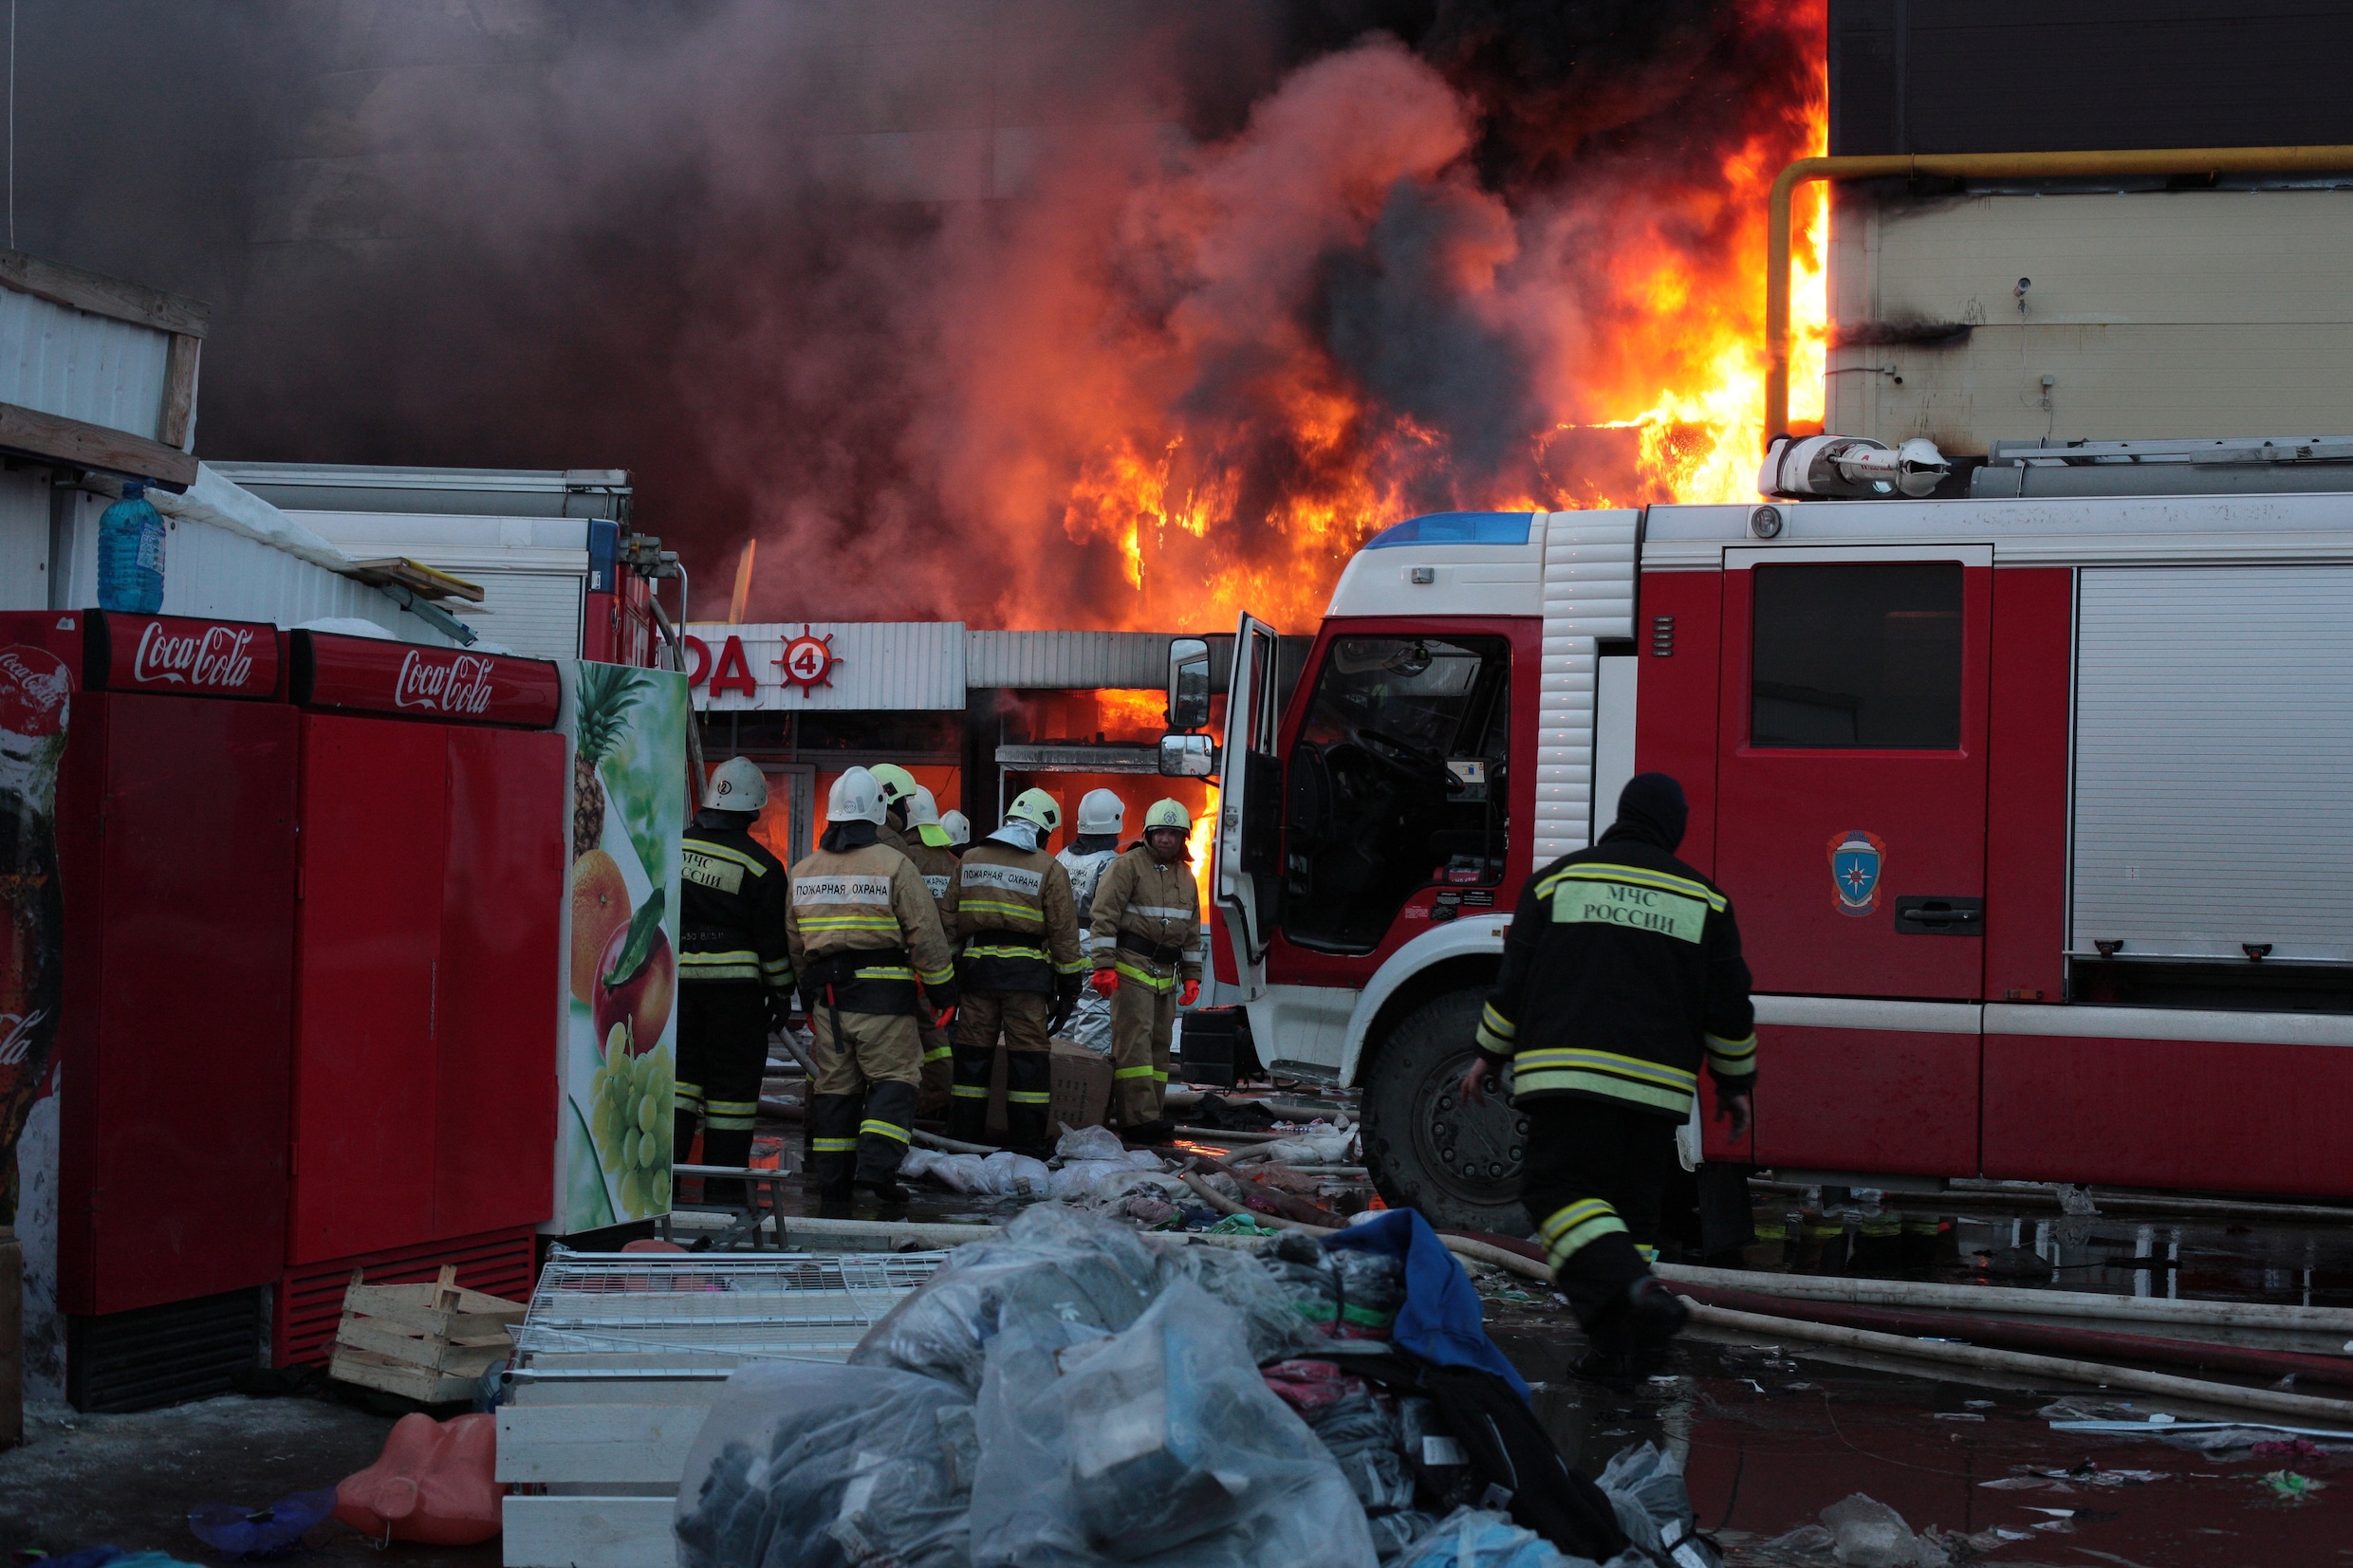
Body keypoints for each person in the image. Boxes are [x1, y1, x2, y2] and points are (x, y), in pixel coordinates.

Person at [1464, 771, 1754, 1377]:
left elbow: (1513, 983)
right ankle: (1626, 1354)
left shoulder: (1557, 883)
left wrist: (1488, 1052)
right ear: (1673, 830)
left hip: (1565, 1081)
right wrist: (1734, 1085)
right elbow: (1728, 1009)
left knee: (1559, 1195)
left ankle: (1635, 1295)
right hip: (1654, 1095)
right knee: (1631, 1219)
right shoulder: (1707, 901)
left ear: (1620, 815)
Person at [787, 766, 959, 1202]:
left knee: (835, 1090)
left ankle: (833, 1182)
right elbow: (926, 935)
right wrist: (944, 993)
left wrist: (805, 995)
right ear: (879, 812)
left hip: (829, 1002)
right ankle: (876, 1174)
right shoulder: (895, 865)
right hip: (884, 1000)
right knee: (895, 1081)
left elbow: (794, 944)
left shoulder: (803, 871)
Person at [675, 757, 794, 1199]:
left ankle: (659, 1191)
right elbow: (772, 943)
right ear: (752, 812)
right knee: (731, 1097)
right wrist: (782, 994)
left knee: (676, 1086)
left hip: (675, 994)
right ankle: (722, 1196)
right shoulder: (762, 867)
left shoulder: (672, 848)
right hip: (734, 1002)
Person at [947, 788, 1084, 1153]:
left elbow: (948, 923)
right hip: (1025, 981)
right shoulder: (1049, 868)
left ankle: (964, 1141)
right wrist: (1070, 986)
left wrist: (944, 976)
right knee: (1028, 1062)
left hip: (976, 976)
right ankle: (1026, 1144)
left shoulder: (970, 859)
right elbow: (1064, 934)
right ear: (1043, 830)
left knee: (972, 1059)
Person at [1088, 798, 1201, 1142]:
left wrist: (1193, 975)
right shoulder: (1127, 866)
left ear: (1184, 837)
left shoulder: (1187, 875)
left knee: (1158, 1047)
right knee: (1134, 1047)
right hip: (1130, 969)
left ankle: (1152, 1112)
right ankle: (1135, 1120)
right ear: (1147, 834)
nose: (1166, 839)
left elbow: (1192, 932)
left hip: (1166, 976)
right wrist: (1104, 966)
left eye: (1173, 833)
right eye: (1160, 833)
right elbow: (1103, 916)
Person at [899, 784, 965, 1116]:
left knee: (893, 1042)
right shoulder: (955, 864)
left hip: (896, 967)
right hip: (939, 970)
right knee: (937, 1042)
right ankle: (935, 1105)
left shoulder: (898, 859)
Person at [1055, 788, 1127, 1053]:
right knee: (1096, 1011)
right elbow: (1115, 911)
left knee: (1066, 1011)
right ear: (1115, 822)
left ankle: (1059, 1077)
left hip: (1063, 942)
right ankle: (1086, 1075)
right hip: (1097, 945)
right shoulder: (1112, 864)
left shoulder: (1062, 856)